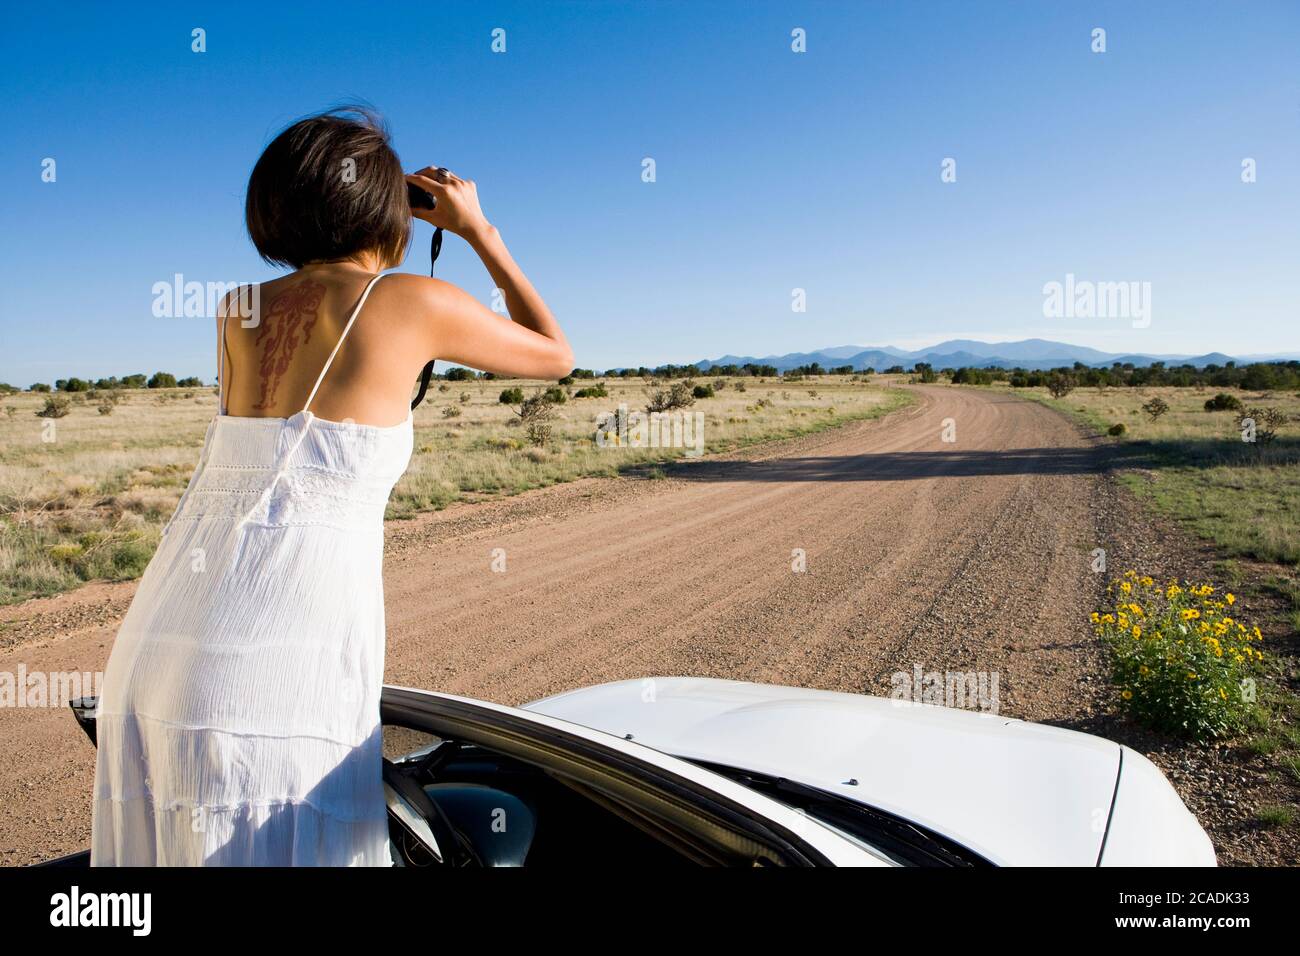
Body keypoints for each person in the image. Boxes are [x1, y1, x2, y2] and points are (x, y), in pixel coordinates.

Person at [90, 107, 572, 865]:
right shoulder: (413, 301)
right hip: (281, 654)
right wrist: (480, 231)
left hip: (164, 643)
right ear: (385, 206)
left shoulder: (236, 310)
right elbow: (555, 353)